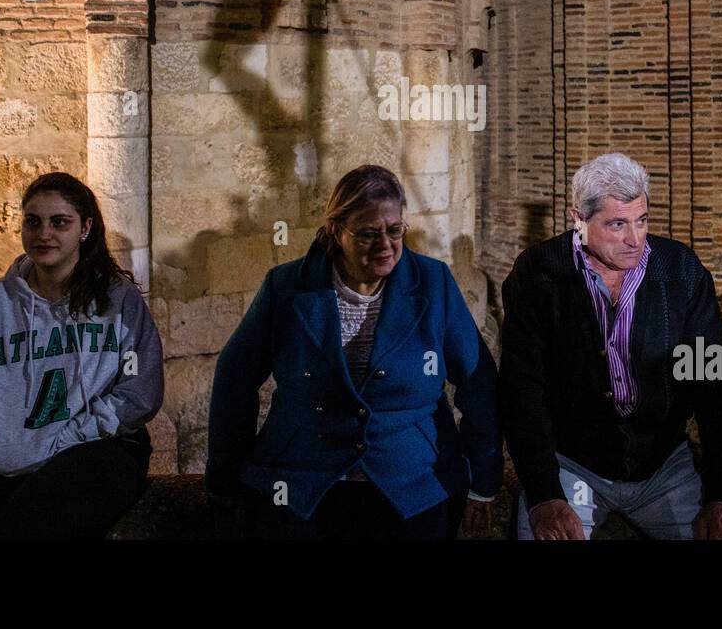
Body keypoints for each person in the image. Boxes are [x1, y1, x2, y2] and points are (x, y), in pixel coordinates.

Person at [206, 164, 501, 539]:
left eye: (395, 230)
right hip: (301, 476)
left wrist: (484, 481)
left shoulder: (433, 283)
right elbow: (235, 378)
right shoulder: (288, 288)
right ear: (336, 231)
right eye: (367, 234)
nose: (385, 245)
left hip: (412, 479)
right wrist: (223, 481)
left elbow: (479, 381)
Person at [500, 153, 722, 540]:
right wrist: (545, 495)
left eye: (642, 220)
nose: (635, 239)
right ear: (579, 220)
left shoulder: (681, 270)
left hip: (665, 465)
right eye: (618, 224)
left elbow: (714, 385)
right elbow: (522, 389)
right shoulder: (539, 273)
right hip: (573, 465)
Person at [0, 172, 163, 539]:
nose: (44, 234)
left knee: (28, 525)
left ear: (85, 228)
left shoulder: (117, 301)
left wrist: (66, 437)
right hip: (8, 457)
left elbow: (140, 391)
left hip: (97, 449)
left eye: (59, 222)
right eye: (33, 222)